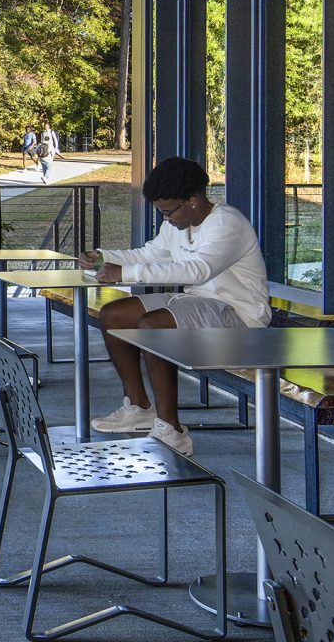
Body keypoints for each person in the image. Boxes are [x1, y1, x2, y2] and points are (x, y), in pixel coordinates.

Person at [78, 156, 268, 457]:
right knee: (114, 315)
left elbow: (198, 270)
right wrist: (104, 257)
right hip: (197, 302)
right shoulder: (180, 222)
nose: (166, 219)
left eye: (168, 212)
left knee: (154, 325)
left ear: (192, 200)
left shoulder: (227, 223)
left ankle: (171, 429)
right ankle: (139, 407)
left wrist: (125, 274)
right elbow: (152, 253)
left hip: (238, 316)